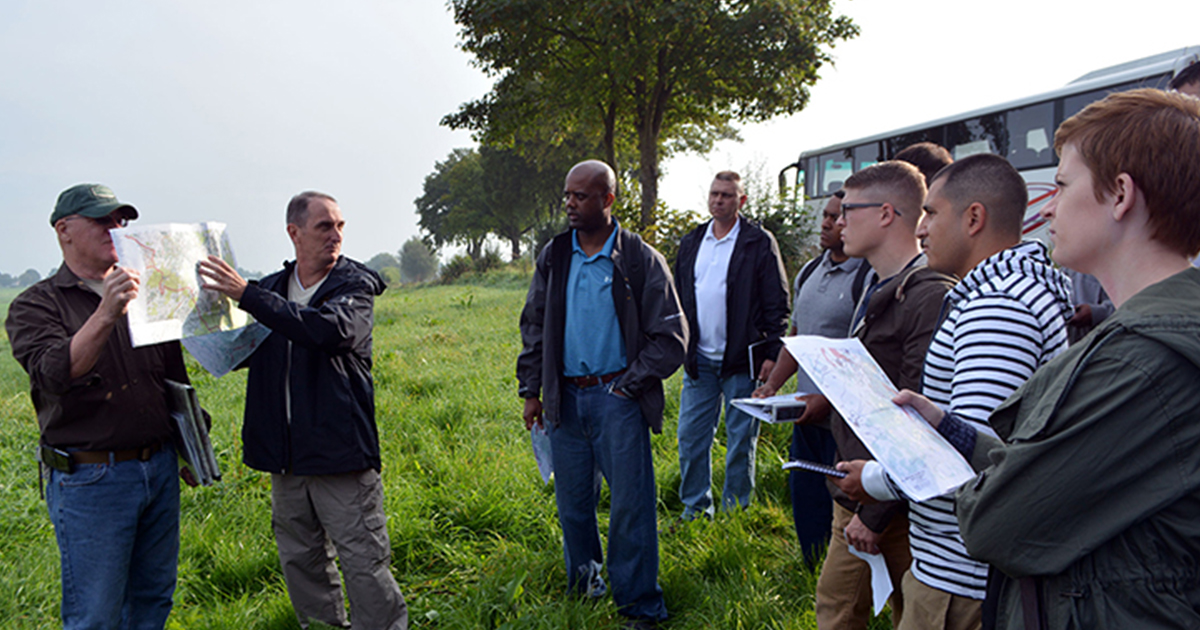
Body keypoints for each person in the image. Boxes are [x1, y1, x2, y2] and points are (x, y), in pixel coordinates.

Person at [897, 88, 1200, 629]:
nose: (1049, 205)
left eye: (1061, 184)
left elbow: (998, 525)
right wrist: (958, 432)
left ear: (1121, 195)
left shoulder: (1141, 362)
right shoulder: (1144, 340)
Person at [831, 154, 1074, 630]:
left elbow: (974, 459)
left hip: (959, 581)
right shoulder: (1001, 294)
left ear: (974, 218)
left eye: (932, 213)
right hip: (963, 570)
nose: (920, 230)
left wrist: (876, 481)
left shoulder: (997, 308)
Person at [198, 192, 408, 630]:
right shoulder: (272, 288)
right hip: (285, 457)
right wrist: (199, 315)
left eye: (340, 226)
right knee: (300, 558)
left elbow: (328, 332)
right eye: (324, 226)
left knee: (363, 558)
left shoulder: (353, 286)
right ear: (293, 233)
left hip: (339, 452)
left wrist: (248, 296)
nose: (336, 235)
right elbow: (242, 353)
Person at [6, 184, 195, 629]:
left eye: (119, 221)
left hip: (159, 468)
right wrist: (107, 311)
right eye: (101, 220)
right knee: (96, 613)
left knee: (152, 600)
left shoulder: (146, 293)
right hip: (92, 480)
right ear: (64, 230)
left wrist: (191, 444)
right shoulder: (36, 304)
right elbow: (54, 375)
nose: (115, 229)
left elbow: (172, 377)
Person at [517, 160, 687, 627]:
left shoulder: (639, 259)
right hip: (564, 402)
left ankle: (639, 605)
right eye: (567, 195)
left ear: (608, 200)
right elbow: (534, 325)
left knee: (631, 508)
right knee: (573, 506)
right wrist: (531, 390)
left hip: (618, 401)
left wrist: (627, 388)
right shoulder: (555, 256)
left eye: (581, 196)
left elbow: (672, 338)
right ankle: (586, 587)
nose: (570, 204)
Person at [811, 161, 955, 630]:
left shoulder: (928, 292)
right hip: (856, 488)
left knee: (905, 615)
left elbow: (920, 414)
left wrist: (874, 514)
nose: (838, 220)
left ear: (887, 214)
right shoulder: (872, 280)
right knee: (837, 609)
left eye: (850, 209)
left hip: (894, 501)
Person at [754, 192, 869, 563]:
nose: (827, 223)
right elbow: (797, 338)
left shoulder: (867, 277)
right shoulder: (809, 271)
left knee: (845, 507)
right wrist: (773, 385)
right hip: (805, 417)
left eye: (837, 217)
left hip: (845, 423)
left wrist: (831, 401)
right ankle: (810, 574)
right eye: (826, 215)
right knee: (805, 499)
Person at [672, 170, 789, 520]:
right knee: (691, 439)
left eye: (726, 195)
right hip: (700, 360)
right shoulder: (693, 241)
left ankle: (735, 513)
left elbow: (776, 302)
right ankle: (695, 508)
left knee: (740, 440)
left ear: (742, 200)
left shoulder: (757, 242)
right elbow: (679, 297)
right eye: (714, 194)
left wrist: (771, 353)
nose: (718, 200)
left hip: (741, 360)